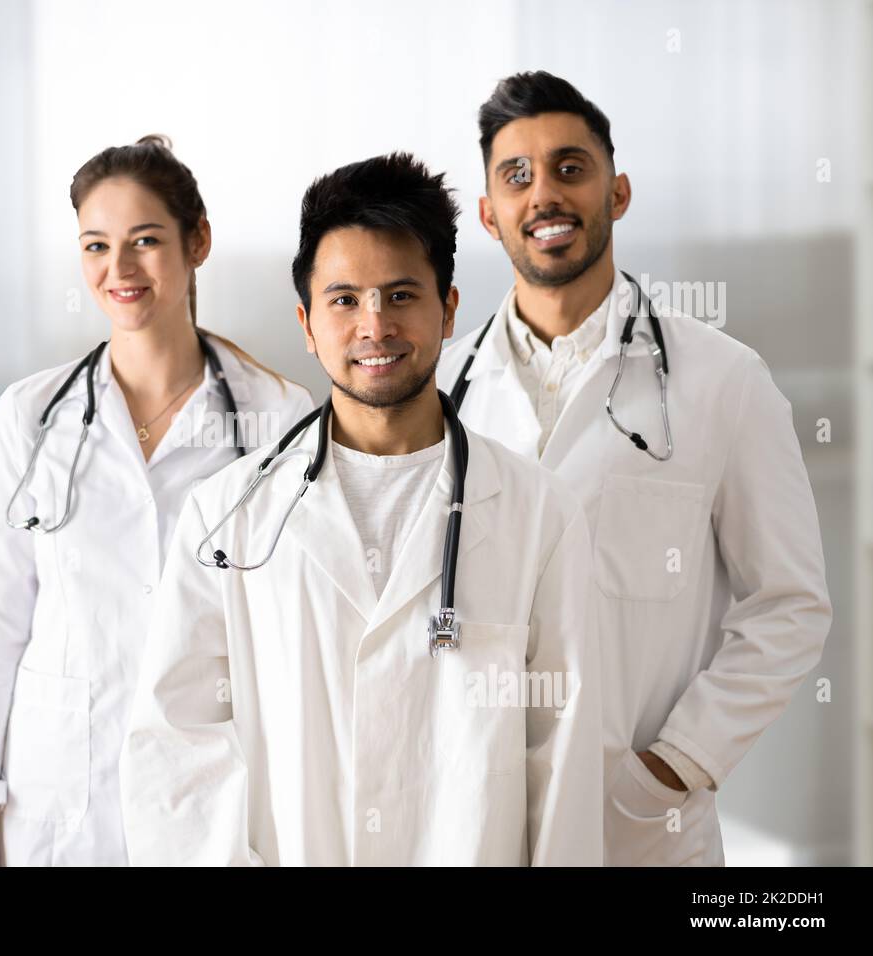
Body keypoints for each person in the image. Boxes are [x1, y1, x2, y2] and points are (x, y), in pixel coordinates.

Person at [119, 152, 602, 866]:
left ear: (449, 308)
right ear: (307, 323)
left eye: (402, 295)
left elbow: (561, 756)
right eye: (345, 300)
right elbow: (172, 747)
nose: (374, 326)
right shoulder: (229, 518)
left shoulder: (539, 515)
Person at [437, 71, 832, 865]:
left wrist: (670, 769)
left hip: (643, 832)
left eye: (569, 168)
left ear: (617, 192)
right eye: (517, 177)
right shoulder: (442, 391)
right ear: (489, 215)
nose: (543, 193)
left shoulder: (723, 379)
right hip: (471, 821)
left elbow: (790, 606)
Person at [0, 135, 313, 866]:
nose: (120, 270)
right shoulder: (29, 416)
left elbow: (290, 633)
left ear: (197, 240)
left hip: (215, 803)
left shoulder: (277, 413)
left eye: (145, 241)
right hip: (54, 810)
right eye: (96, 247)